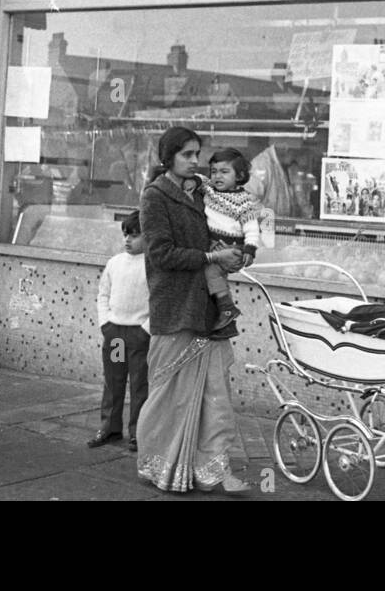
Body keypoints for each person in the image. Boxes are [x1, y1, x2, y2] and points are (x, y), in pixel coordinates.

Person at [135, 127, 249, 494]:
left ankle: (213, 470)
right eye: (187, 154)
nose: (195, 161)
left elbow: (226, 226)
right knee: (170, 397)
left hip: (210, 306)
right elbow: (161, 254)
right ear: (167, 157)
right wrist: (212, 258)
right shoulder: (155, 196)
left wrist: (234, 254)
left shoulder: (204, 191)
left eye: (197, 154)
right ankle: (162, 466)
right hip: (176, 306)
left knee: (216, 395)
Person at [89, 211, 150, 452]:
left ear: (148, 236)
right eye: (126, 235)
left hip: (139, 336)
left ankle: (138, 433)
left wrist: (146, 329)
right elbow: (103, 294)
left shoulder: (152, 265)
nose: (128, 240)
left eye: (134, 235)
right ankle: (110, 428)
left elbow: (158, 301)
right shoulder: (114, 263)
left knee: (139, 384)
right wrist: (106, 323)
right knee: (113, 381)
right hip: (115, 335)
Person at [198, 148, 262, 334]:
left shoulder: (243, 202)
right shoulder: (210, 190)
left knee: (210, 271)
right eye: (214, 171)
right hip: (213, 244)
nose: (218, 176)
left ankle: (227, 307)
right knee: (213, 275)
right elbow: (199, 179)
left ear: (239, 176)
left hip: (231, 247)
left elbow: (252, 228)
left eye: (224, 172)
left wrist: (250, 249)